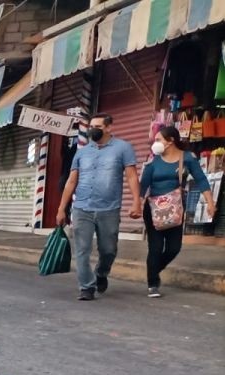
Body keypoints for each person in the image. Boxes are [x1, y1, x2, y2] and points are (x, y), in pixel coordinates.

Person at [56, 113, 142, 300]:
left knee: (108, 249)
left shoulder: (123, 148)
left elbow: (132, 176)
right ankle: (86, 287)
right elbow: (71, 181)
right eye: (91, 126)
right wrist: (62, 208)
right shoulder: (82, 152)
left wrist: (137, 202)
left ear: (109, 128)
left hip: (109, 209)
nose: (93, 129)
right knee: (82, 249)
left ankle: (101, 273)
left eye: (98, 126)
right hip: (82, 208)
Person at [140, 125, 216, 298]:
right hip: (153, 209)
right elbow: (142, 186)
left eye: (158, 139)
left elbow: (202, 180)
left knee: (174, 248)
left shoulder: (187, 158)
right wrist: (136, 205)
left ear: (170, 141)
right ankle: (153, 283)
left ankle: (153, 269)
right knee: (156, 247)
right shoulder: (153, 161)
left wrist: (210, 202)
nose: (155, 143)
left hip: (175, 208)